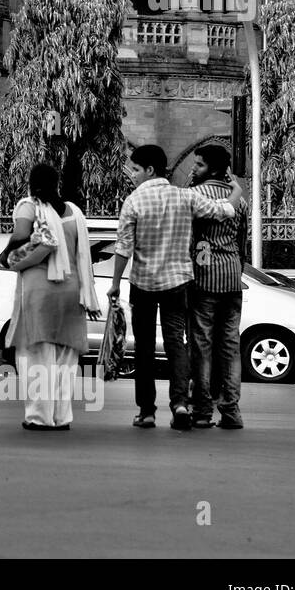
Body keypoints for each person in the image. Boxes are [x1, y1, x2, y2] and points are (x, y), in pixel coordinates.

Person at [108, 144, 245, 431]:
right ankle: (181, 404)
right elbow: (226, 211)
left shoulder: (133, 202)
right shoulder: (184, 197)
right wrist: (236, 190)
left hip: (144, 283)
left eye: (134, 169)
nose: (131, 175)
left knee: (145, 348)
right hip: (180, 283)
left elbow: (123, 247)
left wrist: (115, 285)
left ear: (149, 170)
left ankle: (147, 412)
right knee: (177, 345)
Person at [3, 164, 101, 432]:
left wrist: (9, 253)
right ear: (56, 183)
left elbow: (21, 236)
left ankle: (39, 417)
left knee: (37, 357)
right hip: (72, 292)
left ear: (31, 183)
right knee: (65, 361)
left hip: (40, 293)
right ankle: (61, 417)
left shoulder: (29, 206)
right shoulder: (74, 212)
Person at [187, 145, 247, 431]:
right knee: (230, 348)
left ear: (211, 169)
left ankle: (201, 409)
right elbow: (242, 242)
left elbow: (190, 239)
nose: (193, 169)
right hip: (233, 277)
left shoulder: (195, 197)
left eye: (198, 165)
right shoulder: (240, 202)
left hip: (203, 278)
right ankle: (231, 410)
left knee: (202, 346)